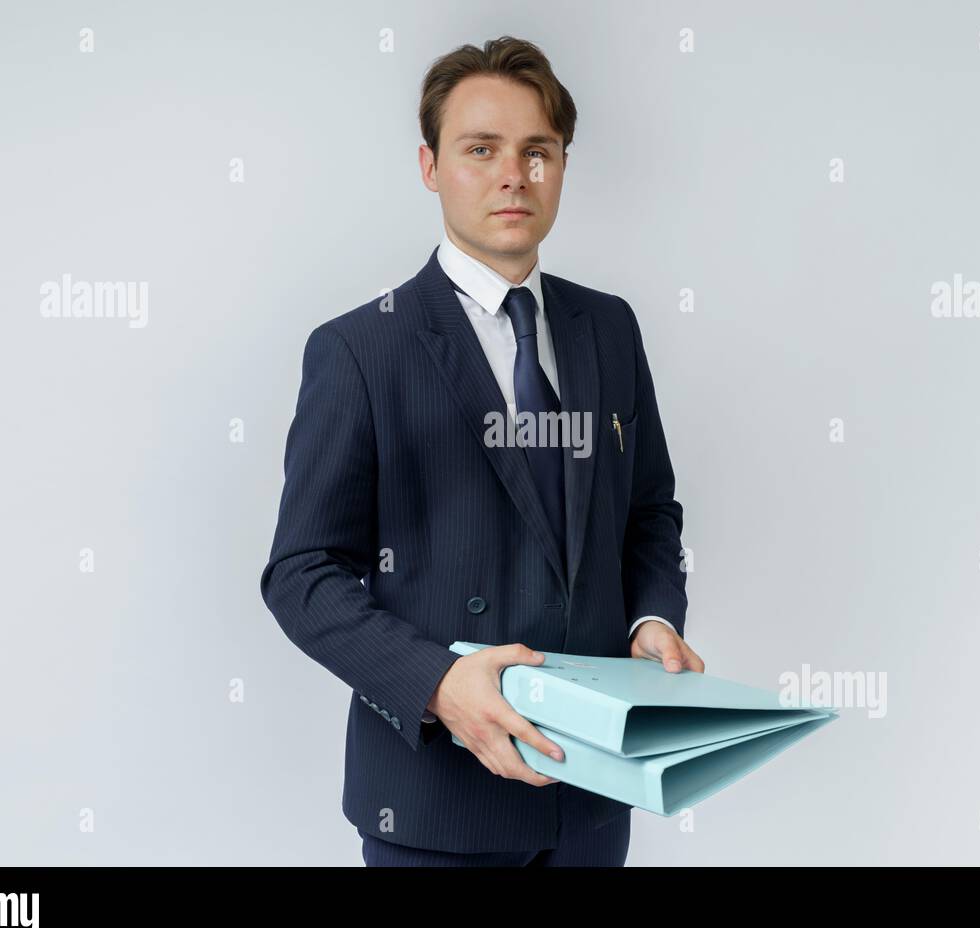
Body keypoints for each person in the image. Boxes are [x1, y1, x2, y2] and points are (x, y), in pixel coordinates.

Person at [260, 35, 703, 867]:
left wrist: (651, 619)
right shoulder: (361, 349)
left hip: (592, 795)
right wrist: (435, 682)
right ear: (430, 166)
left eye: (538, 151)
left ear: (563, 165)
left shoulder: (609, 328)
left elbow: (649, 510)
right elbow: (302, 573)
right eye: (481, 149)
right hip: (435, 808)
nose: (514, 174)